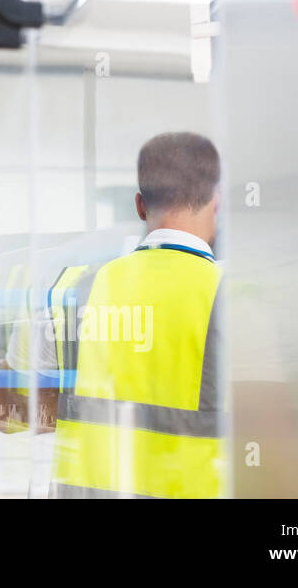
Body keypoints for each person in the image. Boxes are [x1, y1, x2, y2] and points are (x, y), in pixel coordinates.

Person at [48, 131, 226, 498]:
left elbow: (7, 411)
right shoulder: (230, 293)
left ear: (140, 206)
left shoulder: (76, 287)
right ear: (216, 202)